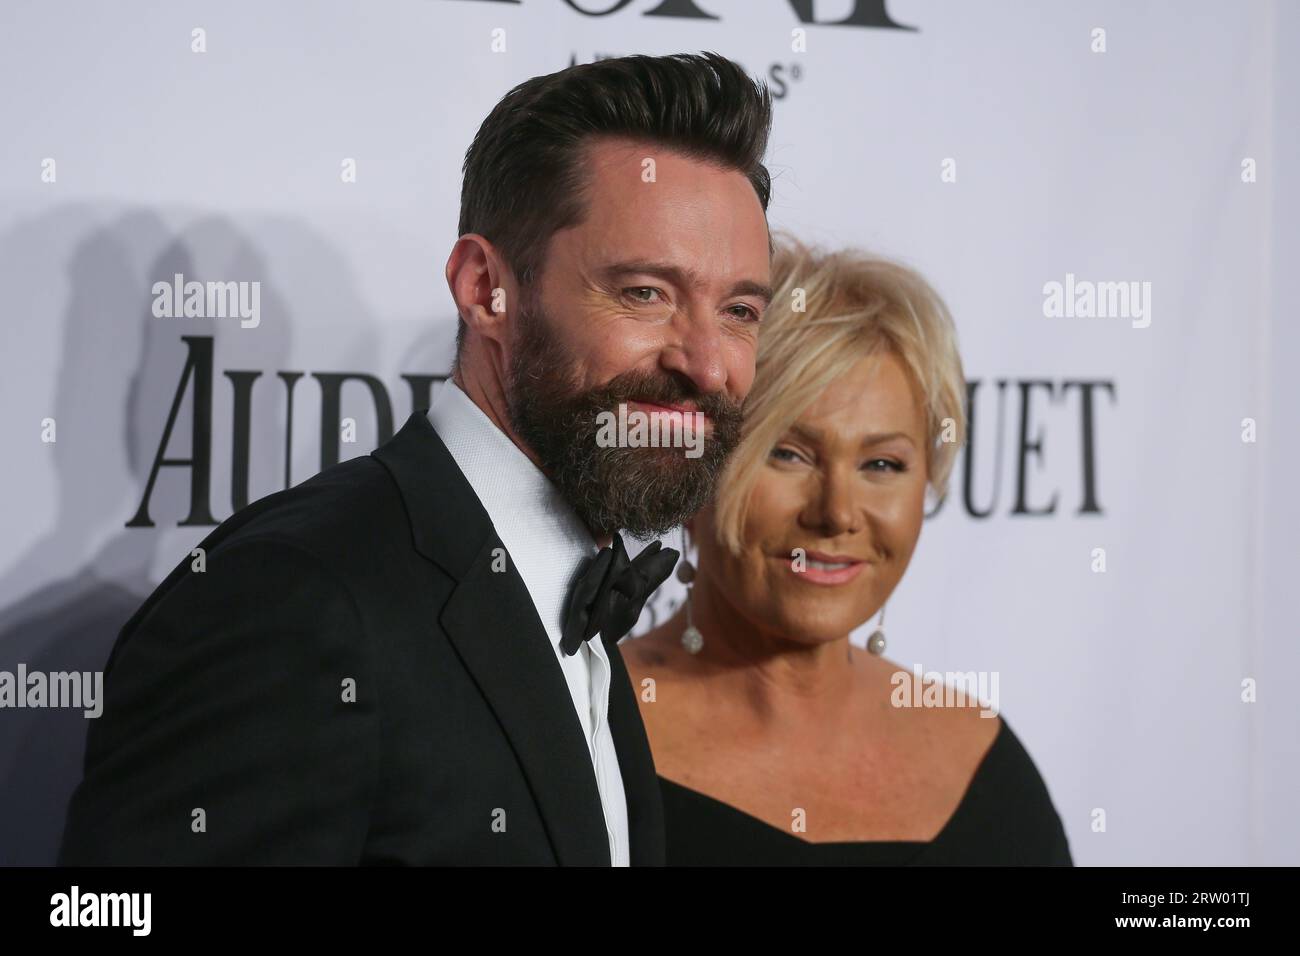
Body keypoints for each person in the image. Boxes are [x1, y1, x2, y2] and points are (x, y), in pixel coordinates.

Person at [59, 51, 775, 866]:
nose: (709, 363)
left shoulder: (578, 600)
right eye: (646, 293)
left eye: (740, 310)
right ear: (484, 289)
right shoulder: (292, 603)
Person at [625, 237, 1072, 865]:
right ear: (693, 468)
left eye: (882, 463)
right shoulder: (585, 734)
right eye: (787, 453)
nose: (835, 513)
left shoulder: (985, 765)